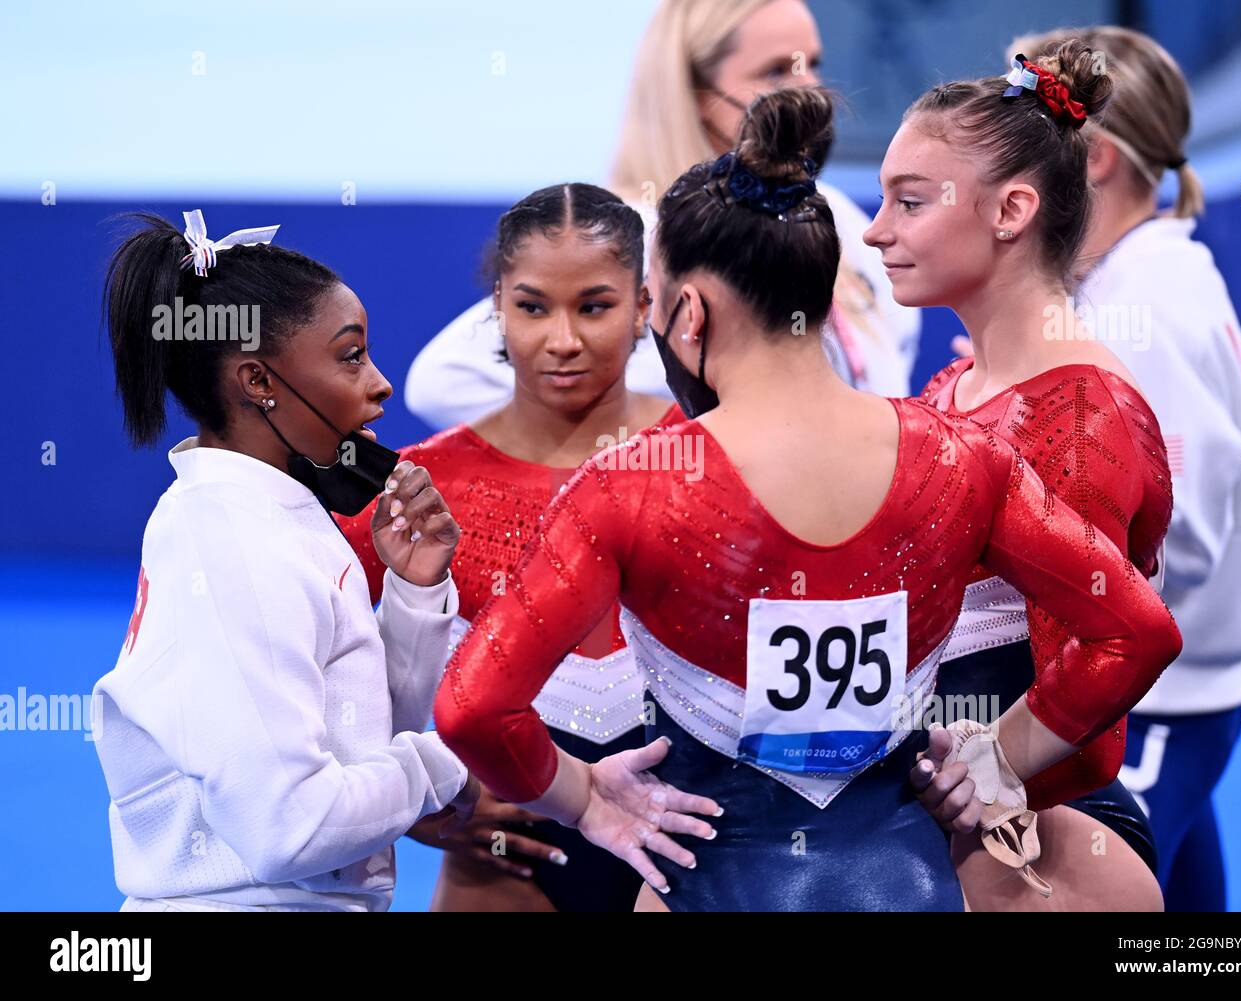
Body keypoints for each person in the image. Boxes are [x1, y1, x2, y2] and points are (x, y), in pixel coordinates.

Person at [435, 87, 1181, 912]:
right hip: (909, 877)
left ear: (685, 312)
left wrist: (582, 797)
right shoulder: (962, 451)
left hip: (712, 882)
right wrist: (992, 758)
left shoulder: (626, 484)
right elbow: (1139, 631)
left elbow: (472, 707)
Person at [92, 210, 477, 911]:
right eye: (351, 355)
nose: (381, 383)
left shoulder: (273, 511)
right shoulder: (235, 542)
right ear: (257, 381)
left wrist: (414, 595)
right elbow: (292, 827)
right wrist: (457, 765)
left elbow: (359, 738)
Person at [869, 40, 1171, 910]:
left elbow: (1102, 692)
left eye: (909, 202)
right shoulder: (961, 383)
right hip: (966, 810)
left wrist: (988, 765)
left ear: (1011, 210)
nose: (877, 229)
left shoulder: (1078, 418)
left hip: (1044, 834)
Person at [339, 183, 682, 911]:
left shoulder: (710, 457)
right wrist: (407, 800)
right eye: (532, 307)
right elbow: (304, 662)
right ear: (497, 308)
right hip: (503, 870)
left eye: (594, 306)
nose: (563, 339)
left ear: (645, 307)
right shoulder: (425, 486)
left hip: (686, 852)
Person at [1011, 25, 1241, 912]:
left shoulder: (1142, 307)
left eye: (1024, 131)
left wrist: (1091, 639)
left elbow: (1182, 533)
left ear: (1095, 162)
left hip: (1156, 698)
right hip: (1170, 689)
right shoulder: (1142, 283)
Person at [404, 0, 920, 430]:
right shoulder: (641, 234)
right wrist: (652, 451)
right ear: (693, 96)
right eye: (777, 69)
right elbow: (443, 381)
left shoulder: (839, 216)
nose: (809, 90)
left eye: (813, 63)